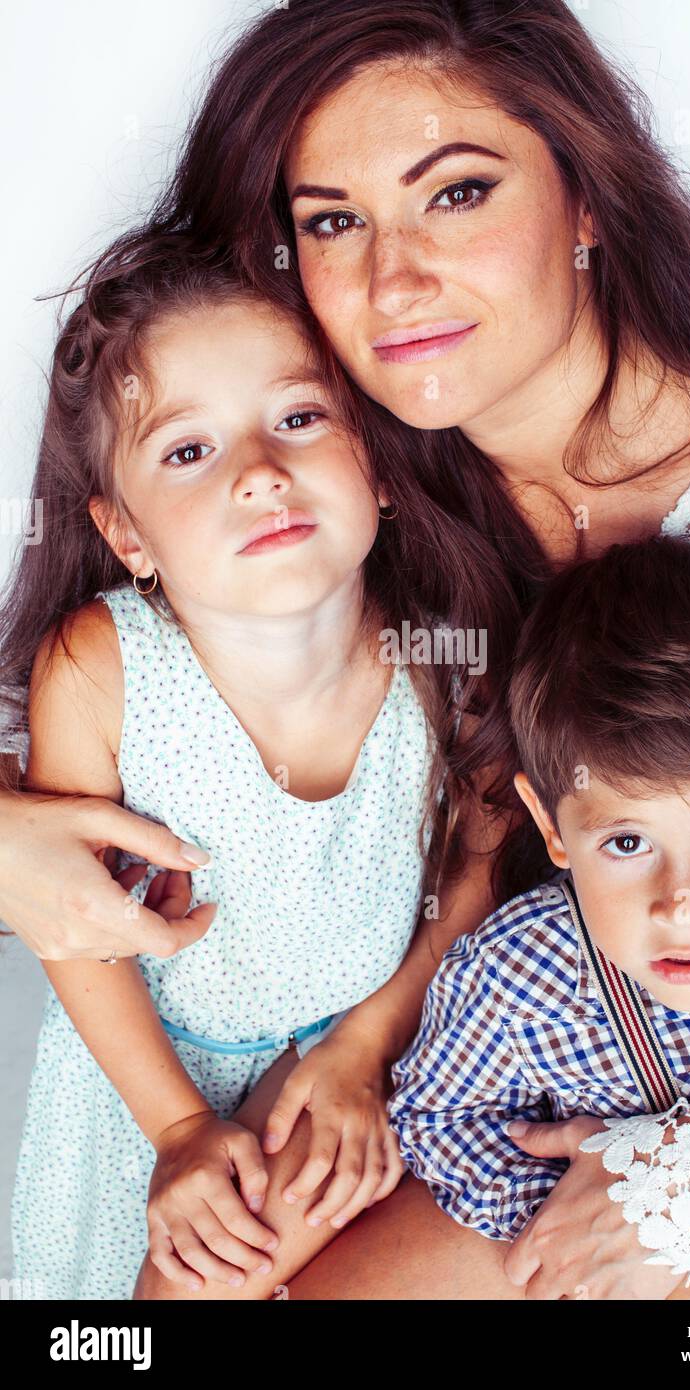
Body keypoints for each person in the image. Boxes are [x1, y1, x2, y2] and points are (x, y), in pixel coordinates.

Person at [3, 0, 690, 1298]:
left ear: (585, 201)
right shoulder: (339, 494)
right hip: (490, 1092)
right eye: (332, 220)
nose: (390, 280)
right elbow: (124, 716)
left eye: (455, 192)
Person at [9, 229, 507, 1300]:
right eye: (188, 451)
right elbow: (71, 923)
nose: (259, 473)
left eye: (296, 418)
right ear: (126, 534)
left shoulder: (441, 655)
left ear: (373, 465)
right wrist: (179, 1126)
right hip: (157, 1083)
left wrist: (367, 1044)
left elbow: (477, 875)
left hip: (363, 1062)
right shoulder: (99, 667)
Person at [388, 534, 690, 1300]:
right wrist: (559, 1211)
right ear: (552, 828)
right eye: (629, 841)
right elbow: (439, 1119)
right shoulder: (522, 975)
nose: (683, 901)